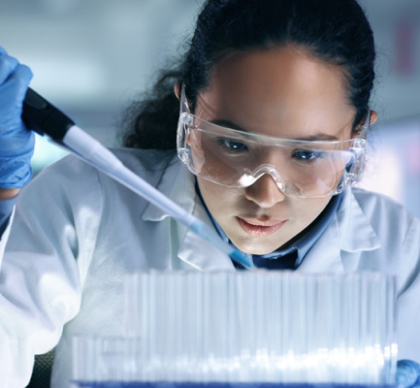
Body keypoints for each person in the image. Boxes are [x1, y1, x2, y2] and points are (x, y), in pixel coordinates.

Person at [0, 0, 419, 386]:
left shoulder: (400, 249)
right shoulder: (87, 203)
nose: (265, 194)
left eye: (307, 154)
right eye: (234, 145)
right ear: (189, 111)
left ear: (357, 133)